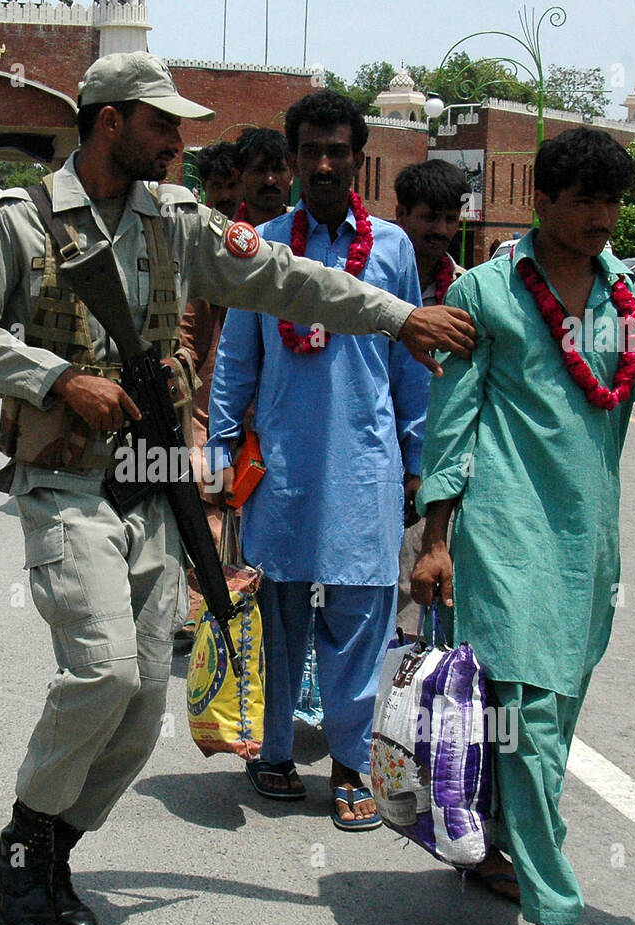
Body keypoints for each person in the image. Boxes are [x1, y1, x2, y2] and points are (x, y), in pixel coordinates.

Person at [0, 52, 476, 925]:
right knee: (103, 668)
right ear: (112, 122)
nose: (180, 142)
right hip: (67, 477)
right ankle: (27, 846)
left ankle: (52, 849)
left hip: (152, 485)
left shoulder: (180, 220)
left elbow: (285, 279)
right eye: (163, 126)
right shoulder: (20, 218)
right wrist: (56, 379)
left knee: (148, 695)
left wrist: (396, 314)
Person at [411, 127, 635, 925]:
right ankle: (554, 907)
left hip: (586, 546)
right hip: (499, 534)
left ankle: (502, 845)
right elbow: (450, 426)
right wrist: (435, 540)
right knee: (526, 717)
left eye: (613, 200)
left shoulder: (630, 298)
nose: (603, 216)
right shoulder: (487, 295)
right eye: (587, 200)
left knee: (550, 718)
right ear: (544, 202)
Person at [207, 90, 430, 831]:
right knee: (277, 616)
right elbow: (235, 360)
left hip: (366, 468)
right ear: (295, 160)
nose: (325, 164)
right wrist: (215, 456)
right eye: (312, 152)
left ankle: (348, 762)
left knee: (361, 618)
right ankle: (270, 750)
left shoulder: (392, 249)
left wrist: (419, 460)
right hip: (282, 469)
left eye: (339, 151)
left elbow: (411, 367)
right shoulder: (260, 245)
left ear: (357, 158)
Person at [180, 128, 294, 631]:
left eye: (278, 169)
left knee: (272, 515)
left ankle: (265, 621)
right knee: (212, 504)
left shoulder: (306, 243)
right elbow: (190, 331)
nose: (268, 181)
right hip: (217, 401)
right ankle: (210, 622)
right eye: (256, 173)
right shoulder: (219, 249)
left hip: (286, 407)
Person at [393, 159, 471, 633]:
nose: (441, 229)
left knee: (430, 592)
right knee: (390, 595)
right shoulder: (368, 282)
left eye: (450, 218)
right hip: (378, 459)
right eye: (429, 217)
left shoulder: (467, 291)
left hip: (441, 468)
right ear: (401, 214)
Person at [194, 140, 242, 218]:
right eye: (217, 186)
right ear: (204, 185)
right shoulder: (196, 224)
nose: (225, 197)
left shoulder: (256, 223)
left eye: (232, 186)